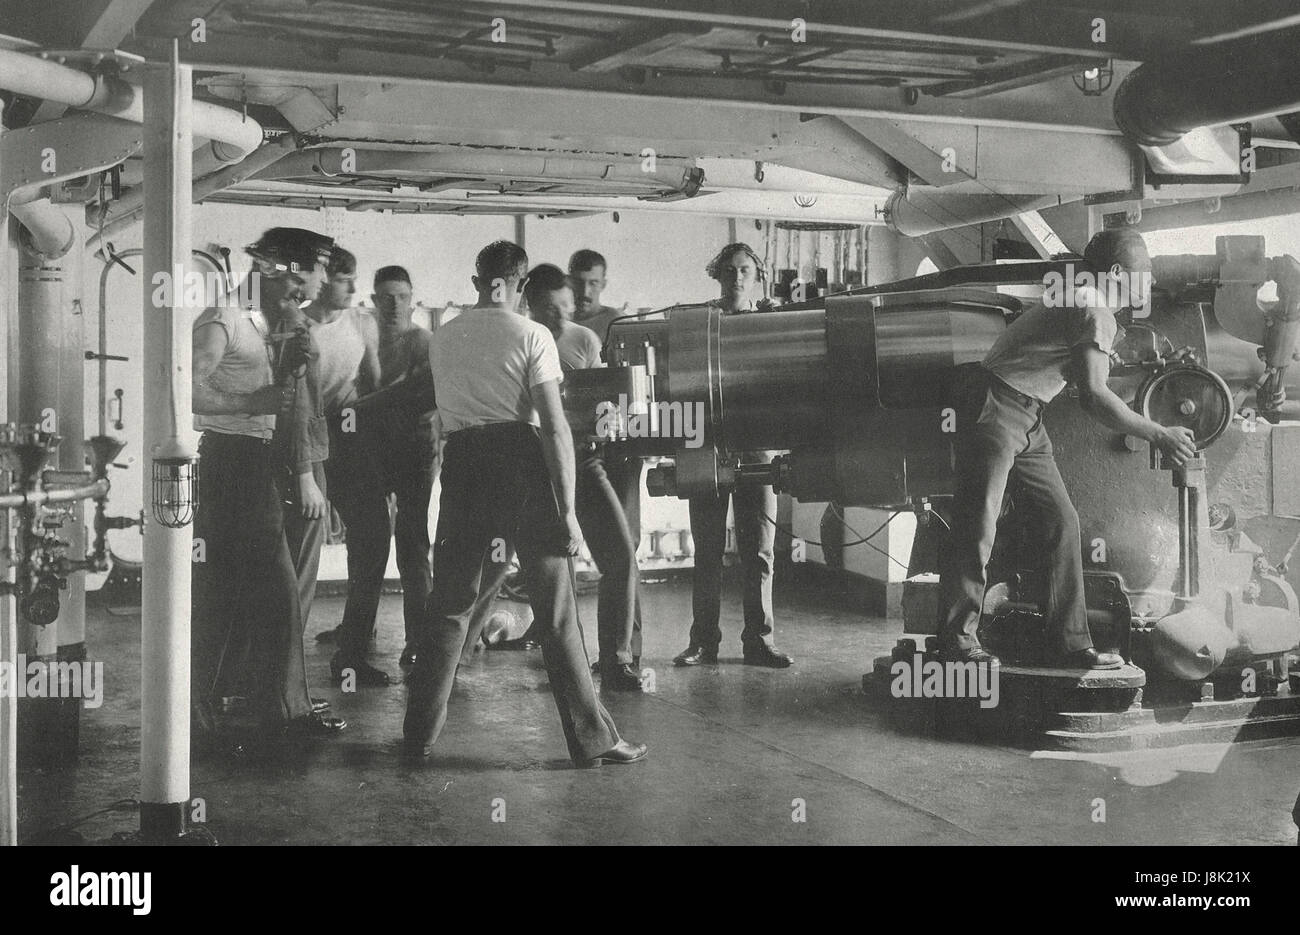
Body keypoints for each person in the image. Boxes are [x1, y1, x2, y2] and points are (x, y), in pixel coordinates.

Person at [403, 241, 646, 767]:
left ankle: (416, 738)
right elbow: (555, 426)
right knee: (556, 611)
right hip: (520, 461)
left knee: (449, 607)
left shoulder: (444, 337)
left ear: (478, 281)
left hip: (463, 464)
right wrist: (567, 512)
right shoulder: (533, 334)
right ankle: (593, 741)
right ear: (520, 285)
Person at [938, 227, 1197, 668]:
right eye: (1145, 270)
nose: (1149, 281)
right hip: (997, 405)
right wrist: (1159, 432)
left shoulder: (1082, 299)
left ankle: (1071, 643)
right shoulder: (1093, 309)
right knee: (978, 526)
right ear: (1118, 272)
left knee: (1061, 521)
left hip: (1026, 411)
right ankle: (956, 644)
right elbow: (1094, 396)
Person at [190, 226, 346, 742]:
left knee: (234, 593)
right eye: (296, 282)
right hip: (230, 463)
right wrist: (248, 405)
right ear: (269, 269)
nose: (299, 294)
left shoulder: (262, 321)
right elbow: (183, 392)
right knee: (272, 593)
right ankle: (281, 711)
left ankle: (217, 707)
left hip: (251, 462)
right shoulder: (223, 321)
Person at [526, 263, 645, 691]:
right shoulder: (523, 340)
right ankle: (452, 659)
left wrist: (610, 419)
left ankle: (616, 661)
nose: (560, 316)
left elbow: (605, 399)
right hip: (535, 465)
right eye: (550, 308)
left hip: (583, 460)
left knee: (620, 554)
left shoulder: (584, 339)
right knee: (525, 567)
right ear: (530, 305)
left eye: (566, 307)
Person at [674, 243, 793, 669]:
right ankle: (703, 641)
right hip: (708, 442)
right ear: (717, 274)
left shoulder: (770, 319)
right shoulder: (703, 319)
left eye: (745, 269)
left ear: (757, 274)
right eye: (729, 270)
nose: (736, 277)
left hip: (757, 444)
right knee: (706, 550)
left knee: (759, 551)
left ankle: (759, 642)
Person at [568, 249, 627, 343]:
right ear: (568, 283)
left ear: (603, 285)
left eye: (593, 283)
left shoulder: (615, 322)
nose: (585, 292)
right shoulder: (558, 321)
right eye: (578, 283)